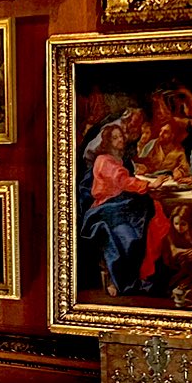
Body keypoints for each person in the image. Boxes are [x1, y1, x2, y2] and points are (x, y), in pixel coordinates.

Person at [79, 120, 173, 295]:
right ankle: (122, 281)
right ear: (107, 141)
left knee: (154, 217)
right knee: (130, 236)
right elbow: (122, 181)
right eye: (115, 138)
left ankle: (145, 274)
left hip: (123, 203)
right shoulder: (103, 160)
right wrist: (151, 186)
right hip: (106, 207)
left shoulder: (119, 159)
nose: (120, 140)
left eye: (121, 136)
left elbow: (126, 181)